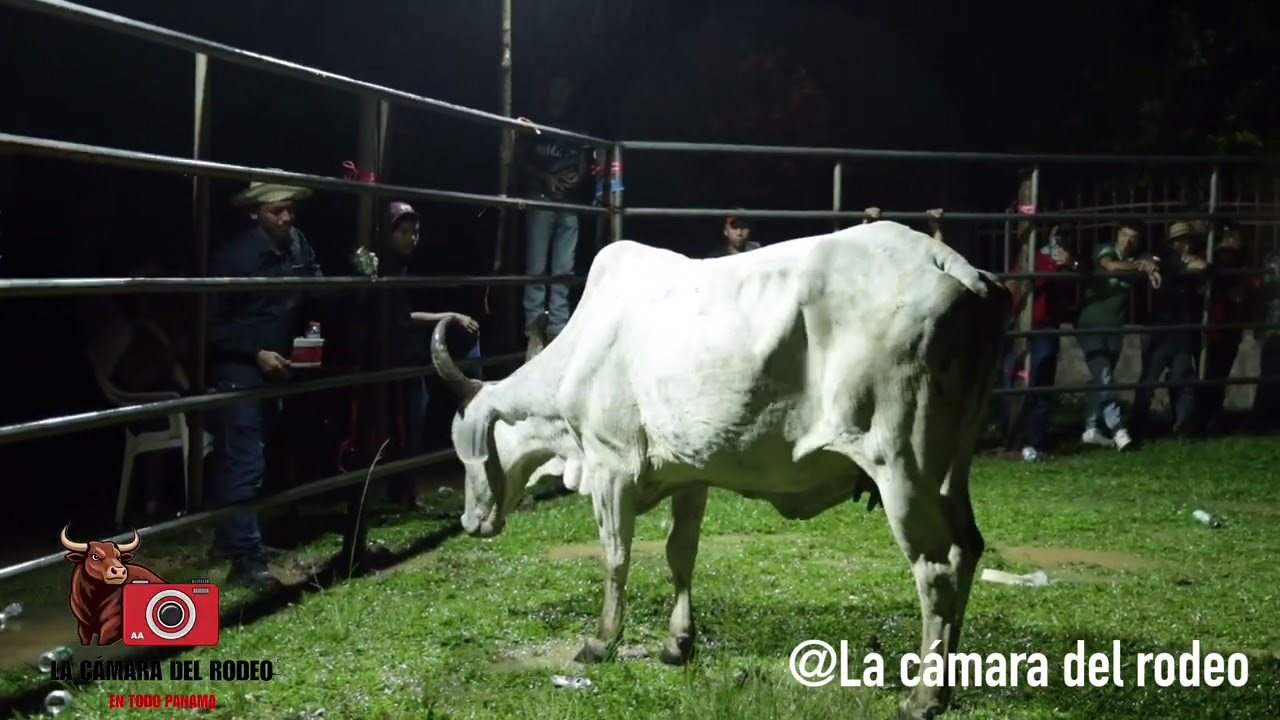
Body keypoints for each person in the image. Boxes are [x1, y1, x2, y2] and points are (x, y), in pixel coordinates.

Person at [205, 178, 327, 590]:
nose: (287, 217)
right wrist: (254, 353)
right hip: (240, 374)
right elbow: (211, 327)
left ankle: (232, 541)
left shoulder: (298, 245)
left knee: (247, 460)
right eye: (277, 210)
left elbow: (315, 284)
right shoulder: (232, 258)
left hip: (277, 368)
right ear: (255, 213)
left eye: (290, 209)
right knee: (245, 463)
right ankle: (245, 560)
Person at [380, 201, 480, 508]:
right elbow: (402, 318)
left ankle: (405, 491)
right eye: (404, 232)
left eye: (416, 232)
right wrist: (449, 315)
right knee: (407, 422)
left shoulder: (398, 265)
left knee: (413, 420)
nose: (412, 238)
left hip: (406, 353)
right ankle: (401, 492)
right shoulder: (384, 266)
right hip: (397, 355)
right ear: (387, 233)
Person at [1074, 221, 1160, 451]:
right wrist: (1142, 267)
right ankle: (1118, 429)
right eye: (1124, 234)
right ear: (1117, 235)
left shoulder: (1138, 259)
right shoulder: (1105, 249)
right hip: (1091, 323)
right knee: (1103, 376)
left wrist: (1150, 266)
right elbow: (1110, 266)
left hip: (1115, 326)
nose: (1127, 240)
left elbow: (1152, 262)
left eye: (1133, 237)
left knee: (1102, 378)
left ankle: (1091, 428)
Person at [520, 76, 588, 359]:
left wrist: (576, 179)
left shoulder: (576, 122)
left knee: (564, 269)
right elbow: (521, 159)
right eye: (558, 85)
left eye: (567, 86)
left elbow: (585, 160)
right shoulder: (535, 120)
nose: (562, 90)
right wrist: (546, 177)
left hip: (568, 201)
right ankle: (534, 328)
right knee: (536, 266)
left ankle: (558, 329)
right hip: (542, 197)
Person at [1002, 224, 1080, 461]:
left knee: (1041, 382)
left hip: (1045, 327)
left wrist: (1071, 265)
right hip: (1020, 327)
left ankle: (1036, 440)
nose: (1058, 238)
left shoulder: (1069, 260)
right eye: (1055, 233)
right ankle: (1012, 435)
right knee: (1012, 380)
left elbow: (1075, 287)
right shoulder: (1030, 257)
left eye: (1063, 234)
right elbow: (1012, 288)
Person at [1131, 222, 1205, 441]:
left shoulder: (1180, 259)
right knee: (1149, 382)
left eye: (1187, 239)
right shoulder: (1164, 258)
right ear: (1173, 242)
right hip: (1161, 329)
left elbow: (1203, 267)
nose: (1185, 243)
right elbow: (1147, 260)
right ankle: (1138, 426)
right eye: (1181, 239)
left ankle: (1183, 427)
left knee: (1182, 378)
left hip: (1179, 329)